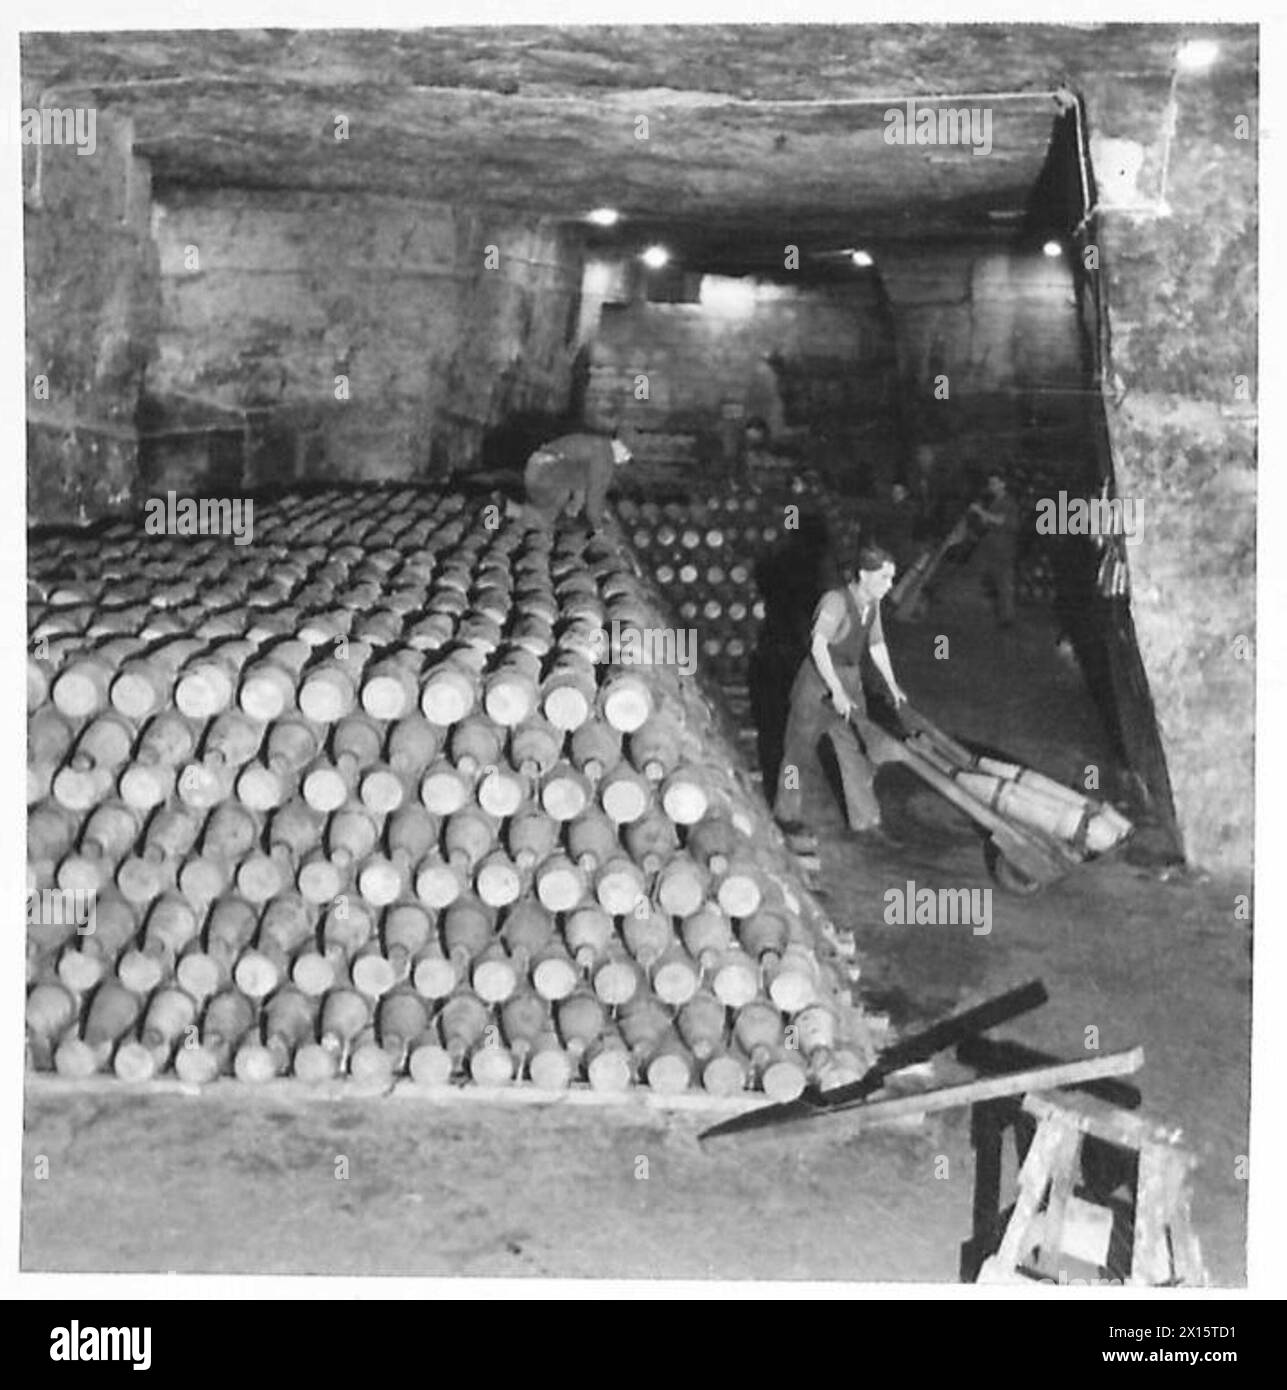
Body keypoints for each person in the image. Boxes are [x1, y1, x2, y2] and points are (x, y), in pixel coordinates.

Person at [773, 543, 908, 845]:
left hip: (850, 678)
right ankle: (786, 815)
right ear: (863, 574)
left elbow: (876, 645)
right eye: (884, 578)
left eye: (891, 578)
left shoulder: (872, 605)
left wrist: (891, 683)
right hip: (818, 682)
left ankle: (866, 820)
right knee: (797, 752)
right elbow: (818, 646)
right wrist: (835, 691)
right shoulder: (835, 601)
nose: (889, 585)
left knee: (855, 750)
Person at [522, 428, 632, 529]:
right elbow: (594, 496)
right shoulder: (603, 455)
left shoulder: (597, 444)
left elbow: (582, 483)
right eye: (626, 455)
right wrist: (598, 527)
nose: (624, 460)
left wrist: (577, 505)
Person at [967, 471, 1021, 627]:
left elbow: (1000, 521)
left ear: (1002, 484)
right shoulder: (995, 502)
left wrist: (980, 512)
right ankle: (1001, 615)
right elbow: (990, 521)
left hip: (1003, 549)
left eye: (994, 483)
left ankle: (1007, 618)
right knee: (995, 582)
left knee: (1004, 583)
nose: (991, 487)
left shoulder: (1008, 502)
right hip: (991, 547)